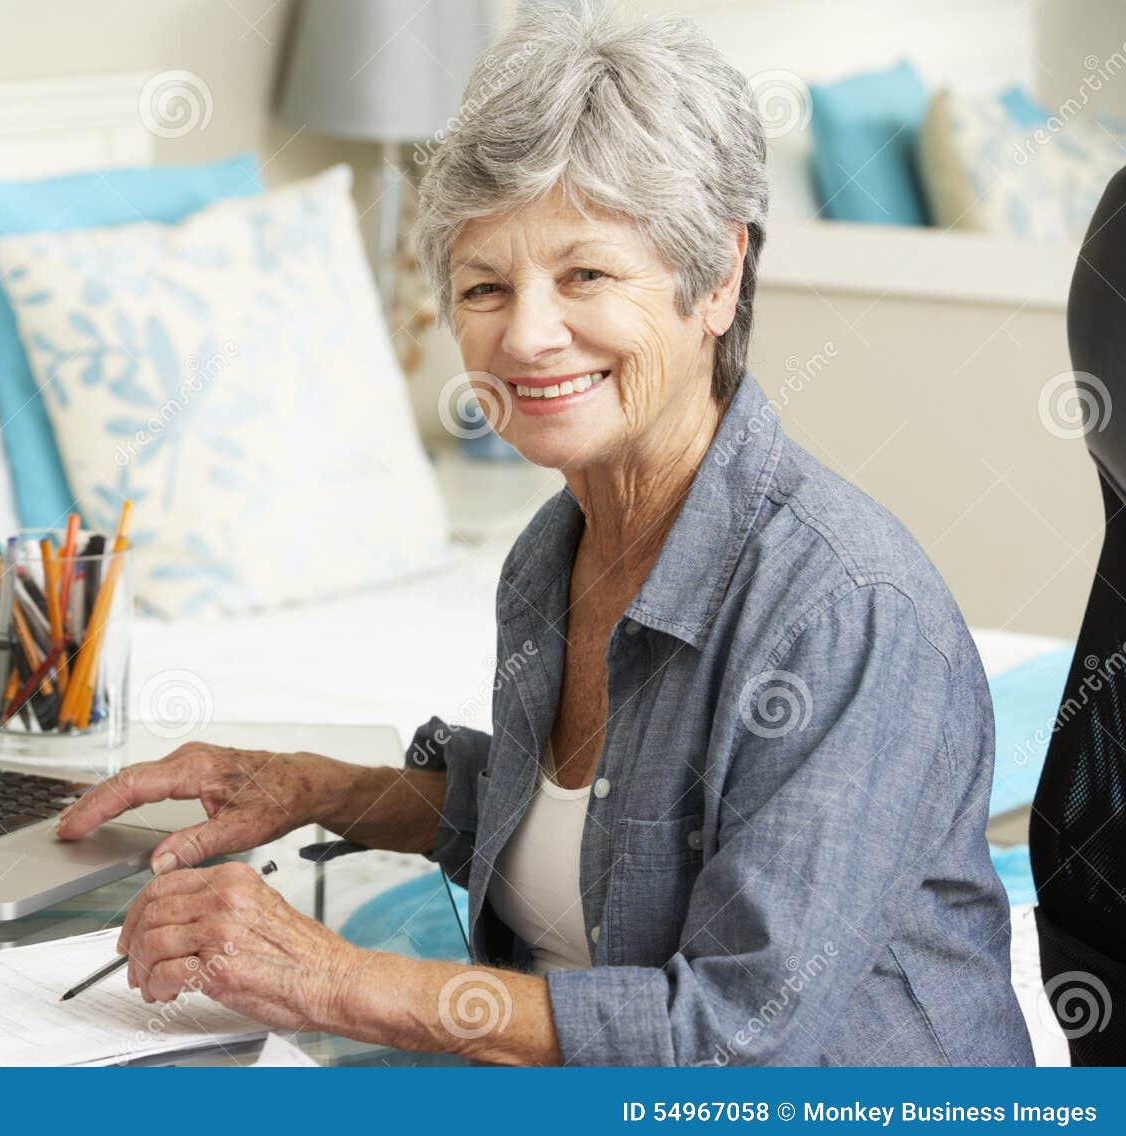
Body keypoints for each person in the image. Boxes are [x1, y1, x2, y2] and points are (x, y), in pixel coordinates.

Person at [55, 5, 1034, 1065]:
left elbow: (728, 1038)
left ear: (716, 278)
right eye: (484, 286)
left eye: (585, 275)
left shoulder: (843, 614)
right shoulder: (550, 551)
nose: (524, 335)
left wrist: (333, 976)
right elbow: (587, 834)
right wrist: (314, 784)